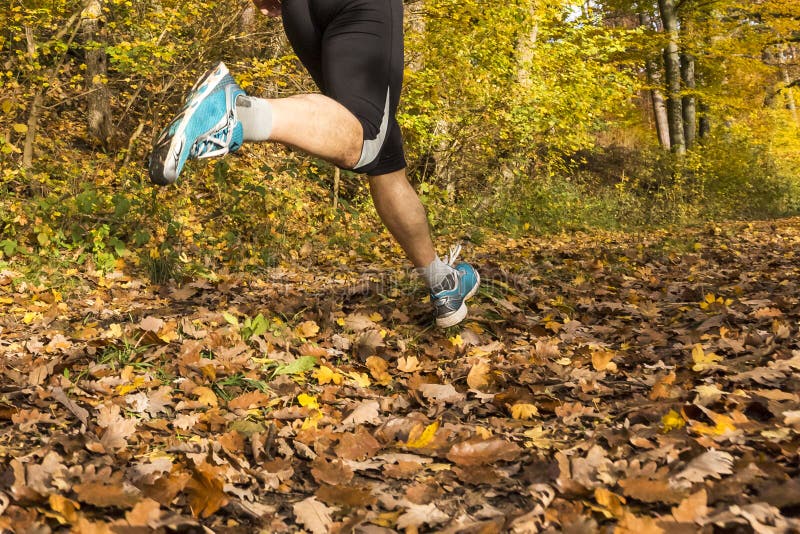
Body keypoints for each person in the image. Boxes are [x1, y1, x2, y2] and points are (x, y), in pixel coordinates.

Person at [148, 0, 479, 328]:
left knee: (383, 155)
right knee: (364, 136)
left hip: (301, 11)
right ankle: (238, 112)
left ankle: (442, 282)